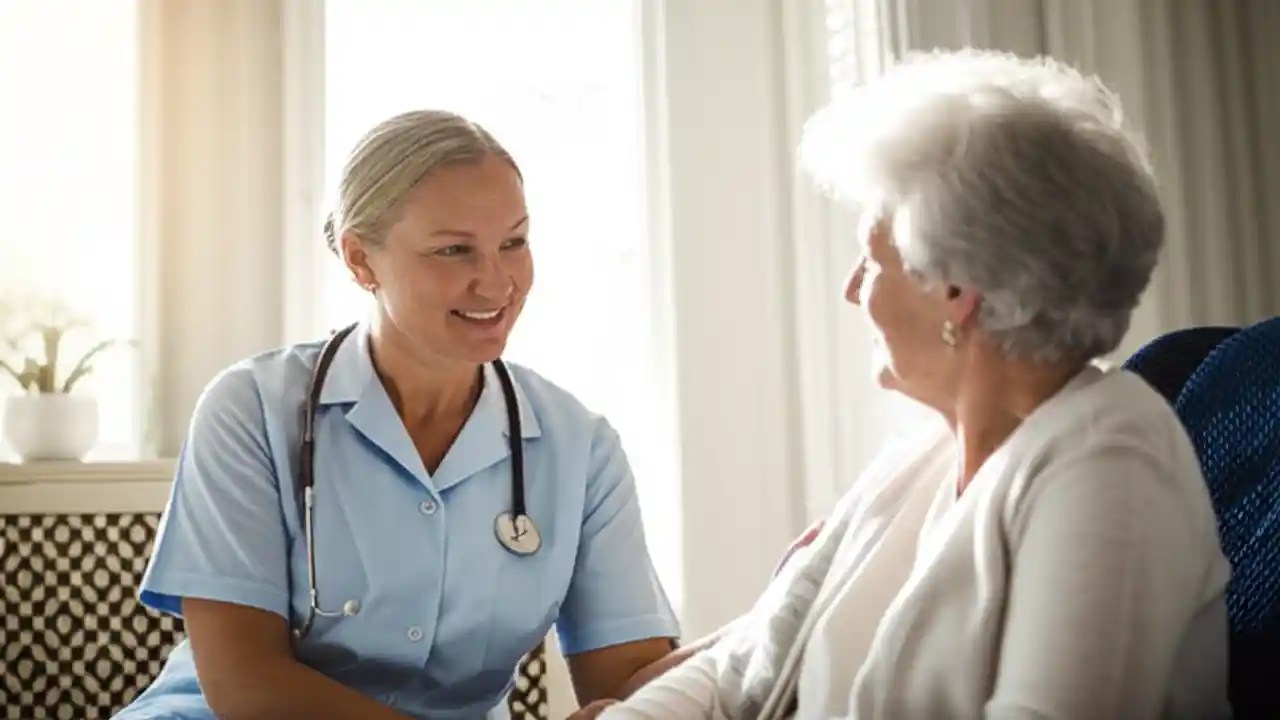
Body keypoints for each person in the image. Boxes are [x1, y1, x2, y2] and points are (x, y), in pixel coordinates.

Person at [596, 49, 1233, 719]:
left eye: (872, 263)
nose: (852, 290)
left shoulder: (1110, 461)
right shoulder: (920, 461)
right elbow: (737, 673)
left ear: (955, 289)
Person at [114, 110, 683, 719]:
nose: (496, 284)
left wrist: (750, 643)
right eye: (453, 251)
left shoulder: (580, 448)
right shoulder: (251, 410)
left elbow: (626, 680)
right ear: (360, 260)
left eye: (513, 243)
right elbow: (246, 686)